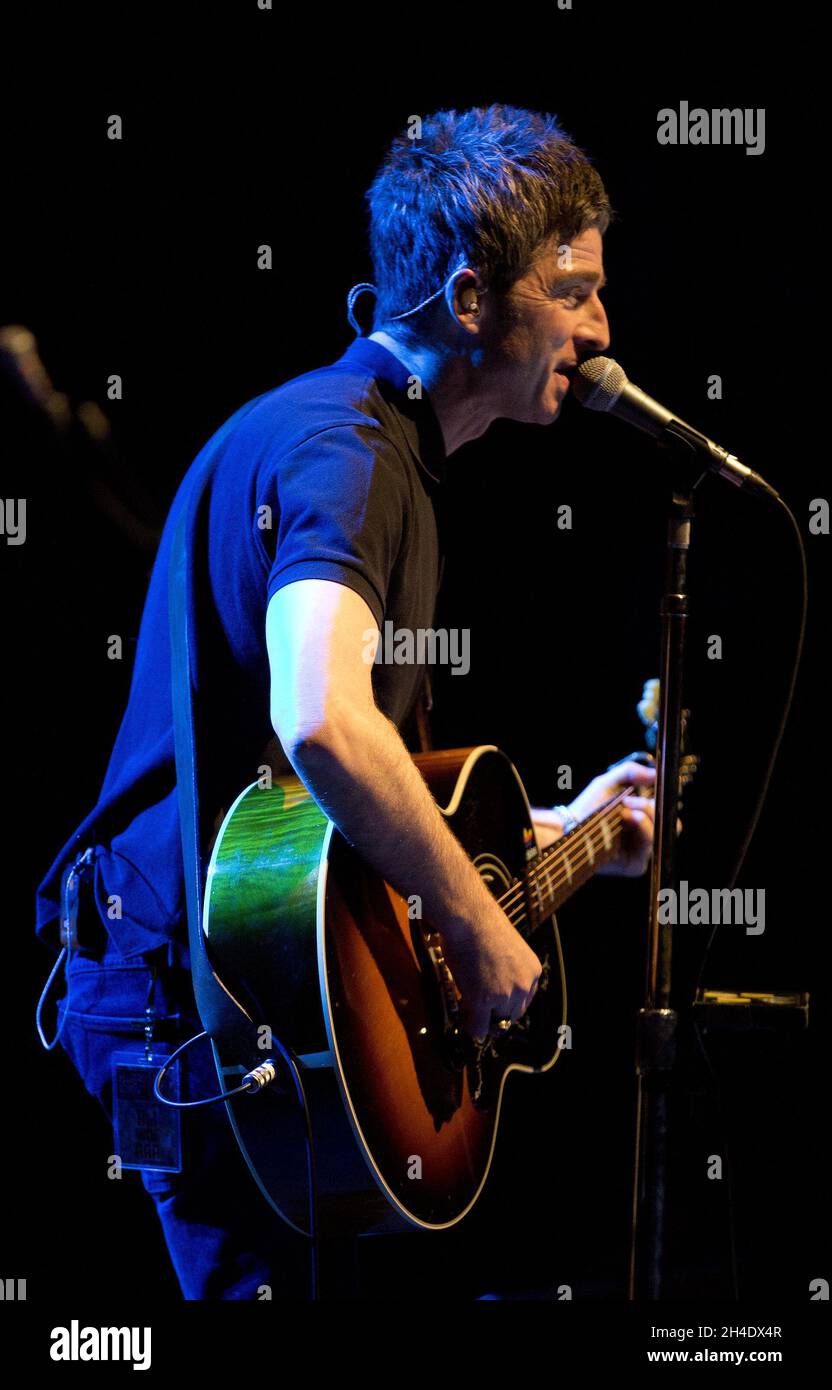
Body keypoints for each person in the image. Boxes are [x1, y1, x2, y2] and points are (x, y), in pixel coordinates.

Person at [34, 103, 656, 1300]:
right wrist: (477, 929)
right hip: (195, 999)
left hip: (242, 974)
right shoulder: (348, 452)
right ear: (471, 301)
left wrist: (570, 830)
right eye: (573, 291)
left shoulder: (374, 448)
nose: (601, 327)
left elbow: (332, 827)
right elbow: (323, 719)